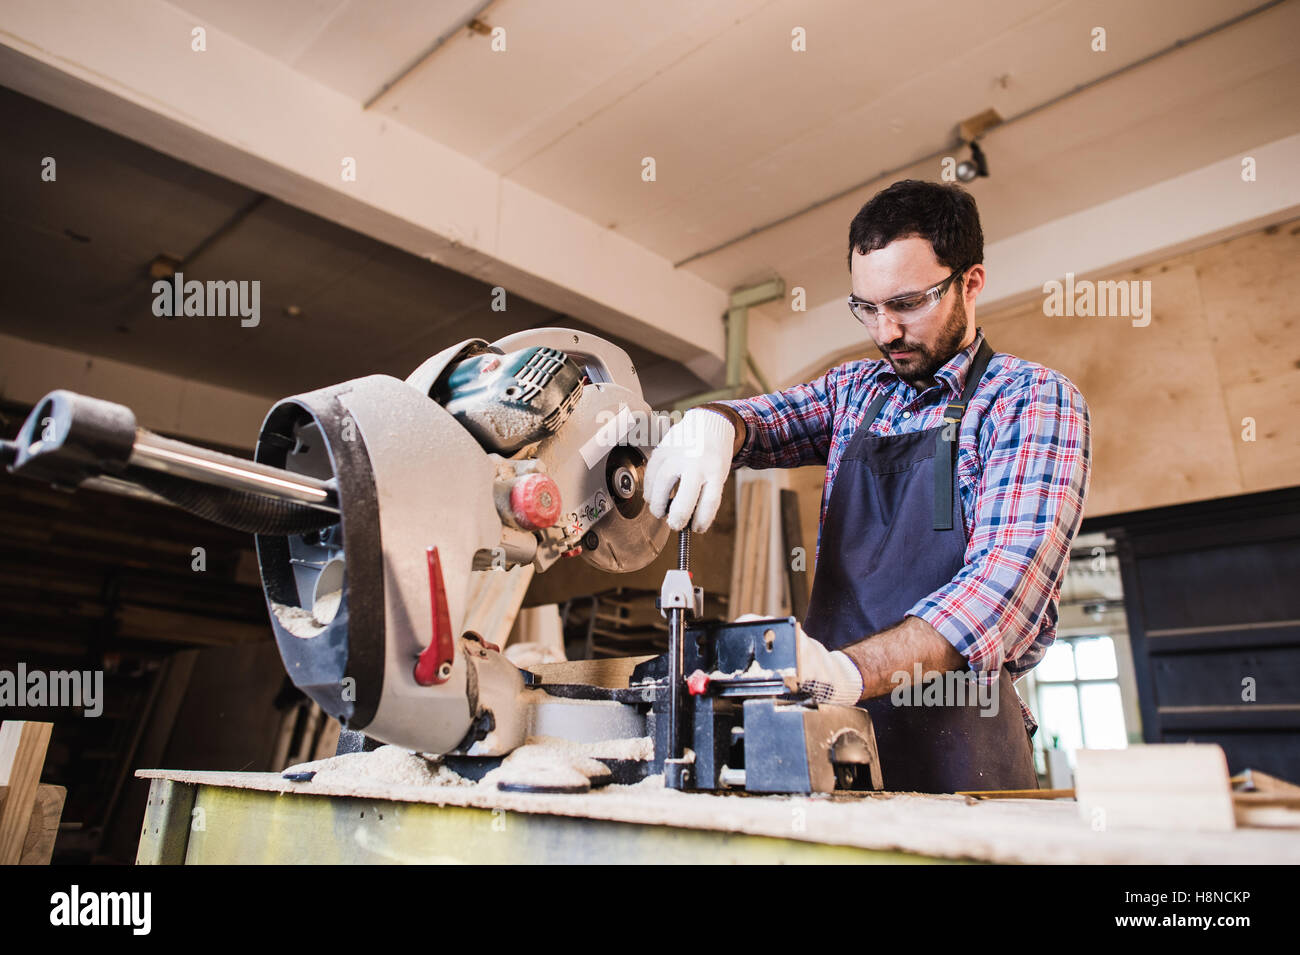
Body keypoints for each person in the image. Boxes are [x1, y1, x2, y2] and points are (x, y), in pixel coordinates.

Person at [643, 179, 1092, 793]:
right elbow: (764, 421)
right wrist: (715, 425)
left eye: (907, 303)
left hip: (961, 752)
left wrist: (845, 671)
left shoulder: (1030, 399)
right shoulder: (855, 391)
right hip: (835, 738)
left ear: (971, 282)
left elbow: (1001, 594)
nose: (886, 332)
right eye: (866, 307)